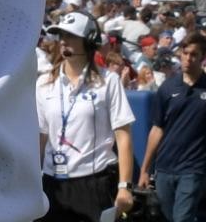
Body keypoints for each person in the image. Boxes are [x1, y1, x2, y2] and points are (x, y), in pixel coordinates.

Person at [35, 12, 135, 222]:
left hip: (94, 183)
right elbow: (41, 137)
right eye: (62, 35)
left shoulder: (109, 81)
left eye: (71, 36)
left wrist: (124, 186)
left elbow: (123, 136)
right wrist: (32, 180)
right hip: (53, 184)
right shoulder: (44, 83)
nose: (64, 41)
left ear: (89, 41)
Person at [139, 30, 206, 221]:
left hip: (194, 168)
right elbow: (157, 129)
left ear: (203, 57)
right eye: (185, 53)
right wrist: (145, 169)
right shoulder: (167, 87)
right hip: (164, 168)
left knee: (182, 218)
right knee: (168, 217)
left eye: (194, 54)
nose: (188, 58)